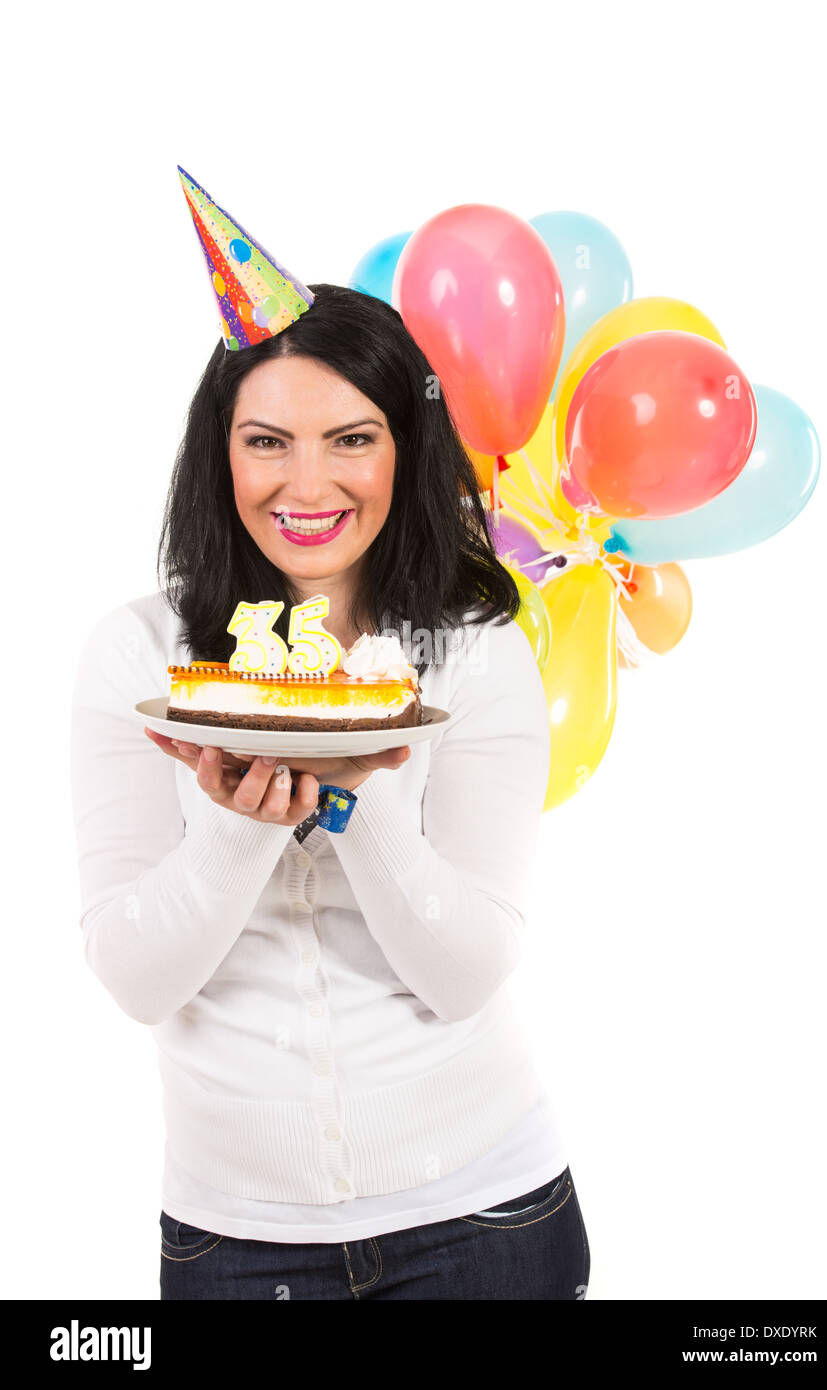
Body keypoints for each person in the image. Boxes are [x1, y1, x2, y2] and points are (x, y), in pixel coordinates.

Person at [69, 173, 591, 1300]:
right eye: (267, 441)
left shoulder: (477, 650)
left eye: (351, 438)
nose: (309, 485)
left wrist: (361, 788)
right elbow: (134, 975)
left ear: (405, 450)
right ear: (220, 454)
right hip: (232, 1246)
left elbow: (467, 973)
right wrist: (234, 829)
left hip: (487, 1221)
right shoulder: (137, 657)